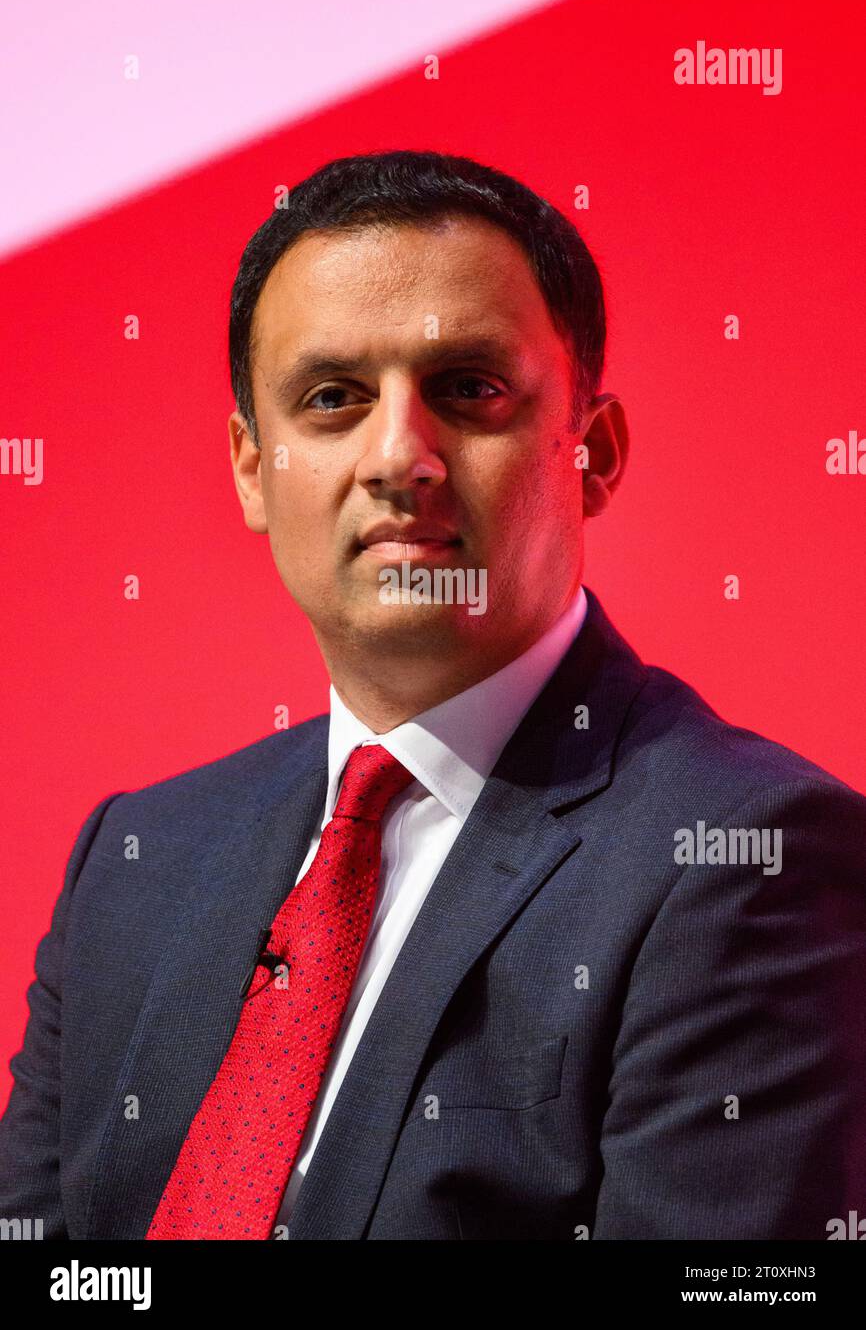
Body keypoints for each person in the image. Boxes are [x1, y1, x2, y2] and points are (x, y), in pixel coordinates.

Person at [2, 149, 865, 1241]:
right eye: (330, 399)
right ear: (249, 466)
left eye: (468, 388)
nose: (398, 455)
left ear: (591, 451)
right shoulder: (136, 857)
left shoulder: (742, 855)